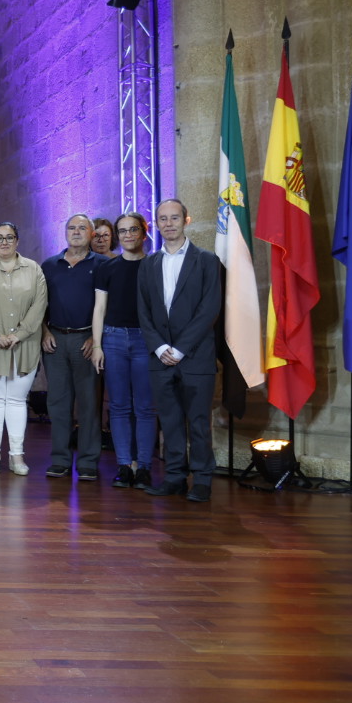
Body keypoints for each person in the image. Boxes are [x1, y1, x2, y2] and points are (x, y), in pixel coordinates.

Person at [137, 199, 223, 502]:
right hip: (160, 358)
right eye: (163, 219)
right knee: (170, 420)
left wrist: (181, 349)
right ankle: (174, 476)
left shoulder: (207, 260)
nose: (169, 223)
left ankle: (201, 479)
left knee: (198, 421)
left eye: (174, 218)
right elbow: (143, 311)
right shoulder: (148, 264)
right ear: (156, 224)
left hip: (195, 356)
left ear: (186, 220)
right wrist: (160, 347)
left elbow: (209, 308)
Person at [0, 222, 48, 475]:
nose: (4, 242)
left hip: (24, 342)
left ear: (17, 240)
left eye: (9, 237)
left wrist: (18, 334)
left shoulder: (34, 269)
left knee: (16, 399)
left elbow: (40, 305)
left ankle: (17, 456)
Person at [90, 212, 157, 488]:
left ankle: (143, 467)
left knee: (145, 407)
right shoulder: (108, 268)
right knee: (118, 406)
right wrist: (97, 345)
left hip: (146, 340)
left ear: (143, 232)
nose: (128, 235)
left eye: (133, 230)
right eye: (123, 231)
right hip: (114, 339)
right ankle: (123, 465)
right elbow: (100, 308)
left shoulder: (155, 266)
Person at [40, 214, 106, 480]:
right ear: (64, 232)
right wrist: (43, 331)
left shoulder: (102, 264)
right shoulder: (49, 265)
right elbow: (38, 305)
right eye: (71, 227)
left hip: (86, 341)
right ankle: (60, 459)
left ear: (91, 234)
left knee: (89, 403)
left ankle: (89, 461)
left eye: (82, 228)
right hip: (54, 340)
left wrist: (96, 338)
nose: (76, 232)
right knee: (58, 402)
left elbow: (106, 307)